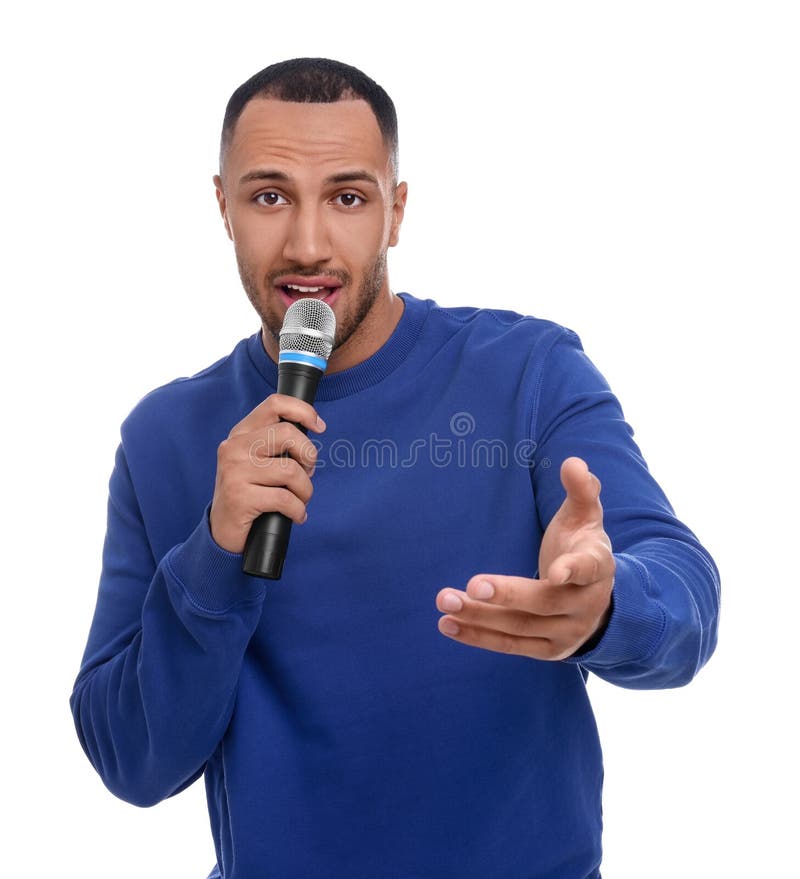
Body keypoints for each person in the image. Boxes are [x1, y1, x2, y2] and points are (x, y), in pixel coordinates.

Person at [70, 58, 720, 879]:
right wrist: (212, 552)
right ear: (223, 209)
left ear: (396, 211)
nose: (307, 243)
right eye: (270, 196)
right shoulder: (165, 435)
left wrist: (606, 603)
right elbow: (131, 759)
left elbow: (686, 599)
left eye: (348, 196)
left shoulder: (527, 372)